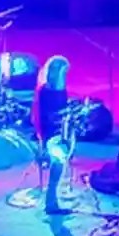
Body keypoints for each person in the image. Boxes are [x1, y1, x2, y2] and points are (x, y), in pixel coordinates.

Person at [32, 55, 71, 214]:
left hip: (60, 132)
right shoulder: (45, 91)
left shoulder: (61, 90)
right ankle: (51, 201)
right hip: (50, 134)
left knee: (60, 163)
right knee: (59, 162)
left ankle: (52, 200)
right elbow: (45, 116)